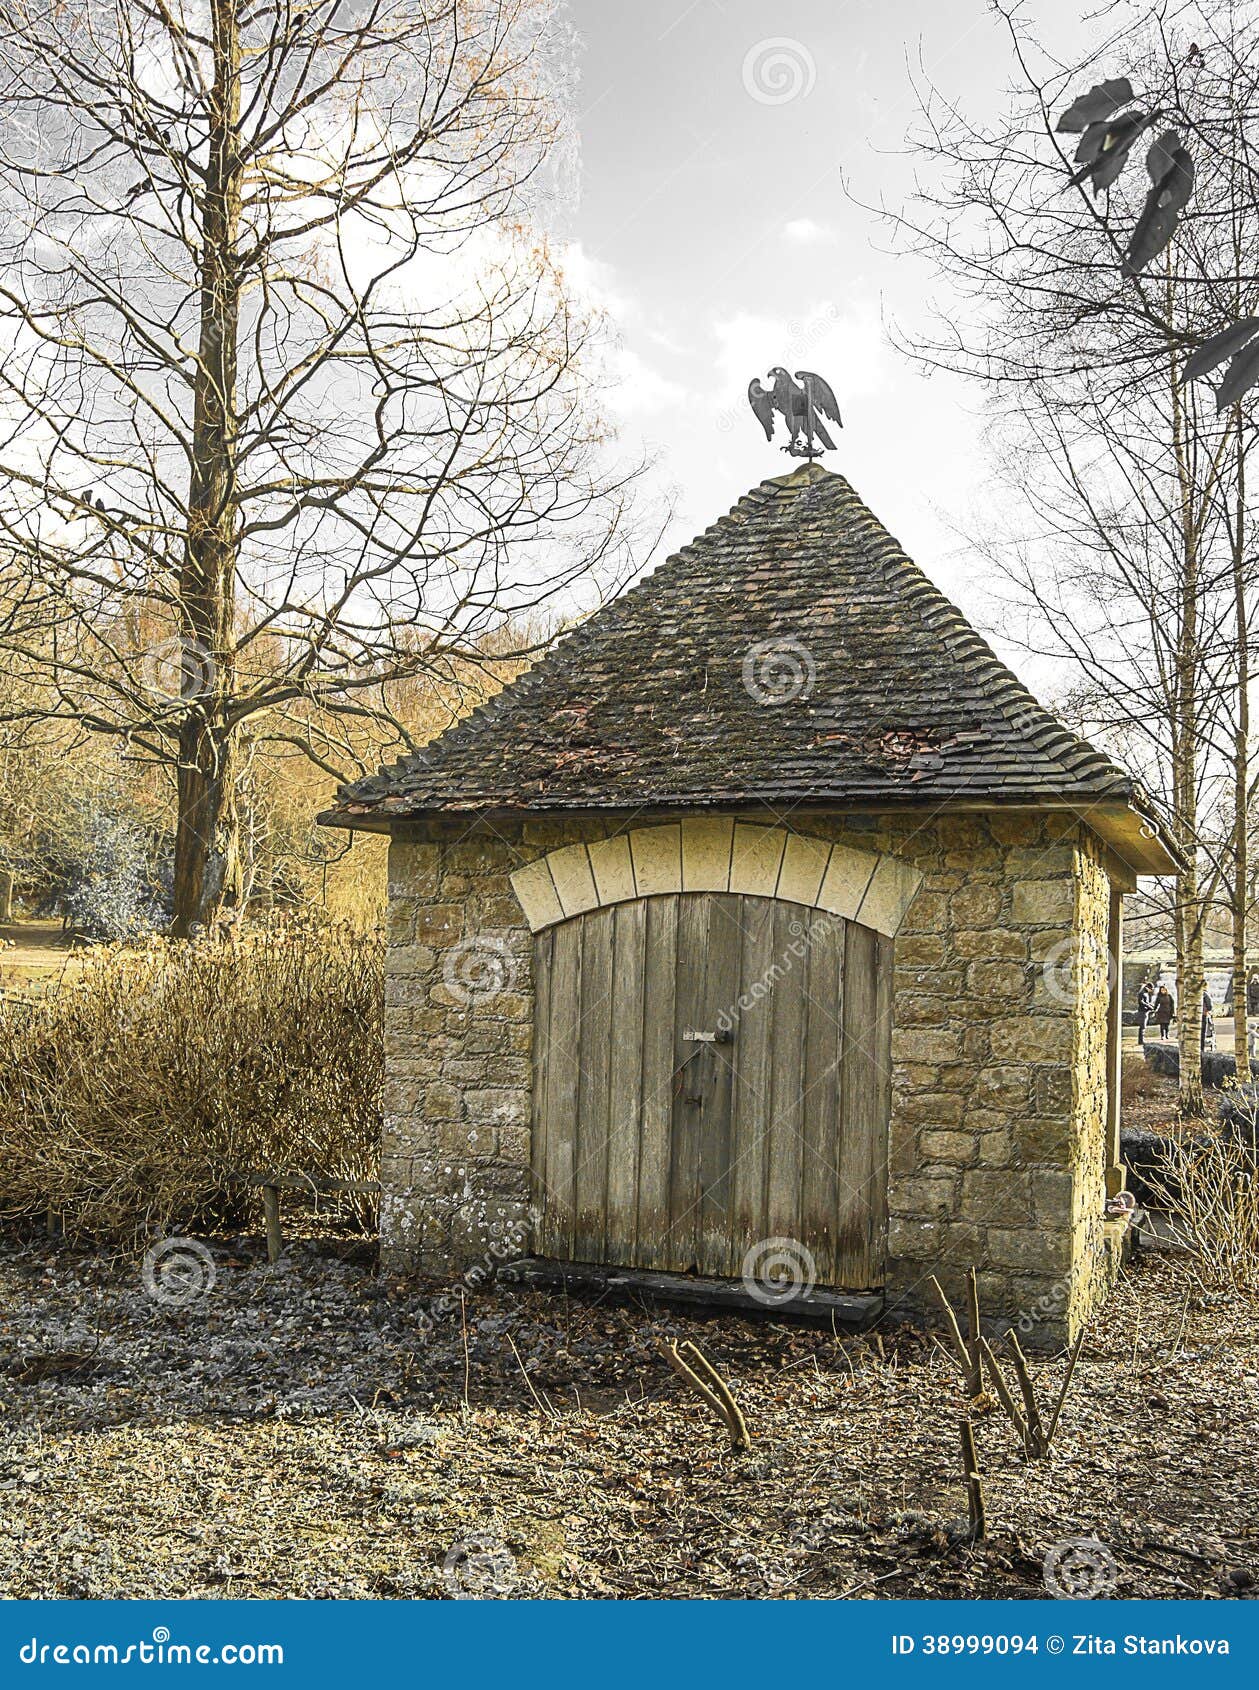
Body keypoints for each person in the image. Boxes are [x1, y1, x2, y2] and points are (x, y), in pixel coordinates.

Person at [1136, 981, 1154, 1047]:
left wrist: (1151, 1006)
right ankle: (1141, 1040)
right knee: (1142, 1026)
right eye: (1150, 989)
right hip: (1142, 1011)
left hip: (1145, 1011)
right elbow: (1141, 1002)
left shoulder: (1145, 992)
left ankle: (1141, 1040)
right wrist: (1149, 1006)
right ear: (1147, 987)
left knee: (1144, 1026)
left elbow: (1146, 1002)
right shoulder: (1142, 993)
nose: (1151, 991)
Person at [1202, 985, 1215, 1052]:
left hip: (1193, 1016)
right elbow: (1210, 1006)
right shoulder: (1205, 994)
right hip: (1203, 1015)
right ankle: (1202, 1048)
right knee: (1202, 1032)